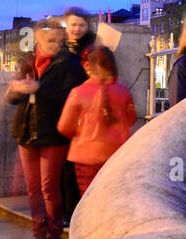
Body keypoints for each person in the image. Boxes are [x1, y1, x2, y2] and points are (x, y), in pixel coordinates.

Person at [6, 17, 86, 239]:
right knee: (33, 190)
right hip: (26, 131)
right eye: (50, 40)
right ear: (38, 38)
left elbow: (71, 96)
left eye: (58, 41)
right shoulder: (28, 60)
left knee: (49, 188)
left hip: (52, 133)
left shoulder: (69, 63)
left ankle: (54, 235)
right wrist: (18, 90)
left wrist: (39, 88)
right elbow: (11, 97)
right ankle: (38, 234)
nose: (54, 45)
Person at [57, 45, 137, 195]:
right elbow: (131, 119)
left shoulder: (78, 93)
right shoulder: (123, 91)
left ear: (88, 65)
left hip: (86, 157)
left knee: (89, 198)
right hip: (117, 154)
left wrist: (80, 131)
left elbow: (64, 127)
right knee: (113, 197)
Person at [60, 6, 98, 222]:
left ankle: (75, 211)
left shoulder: (91, 49)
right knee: (65, 164)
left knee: (77, 165)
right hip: (64, 109)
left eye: (81, 25)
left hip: (83, 111)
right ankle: (67, 211)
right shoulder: (62, 47)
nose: (77, 29)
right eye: (73, 25)